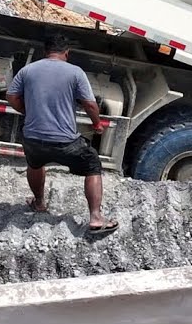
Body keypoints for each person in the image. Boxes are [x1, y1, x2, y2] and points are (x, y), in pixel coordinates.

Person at [6, 34, 118, 234]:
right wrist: (97, 124)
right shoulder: (75, 72)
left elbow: (11, 96)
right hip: (65, 141)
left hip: (33, 138)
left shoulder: (27, 70)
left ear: (45, 52)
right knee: (92, 164)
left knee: (35, 163)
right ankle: (96, 217)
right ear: (67, 53)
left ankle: (39, 203)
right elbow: (90, 104)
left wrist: (27, 111)